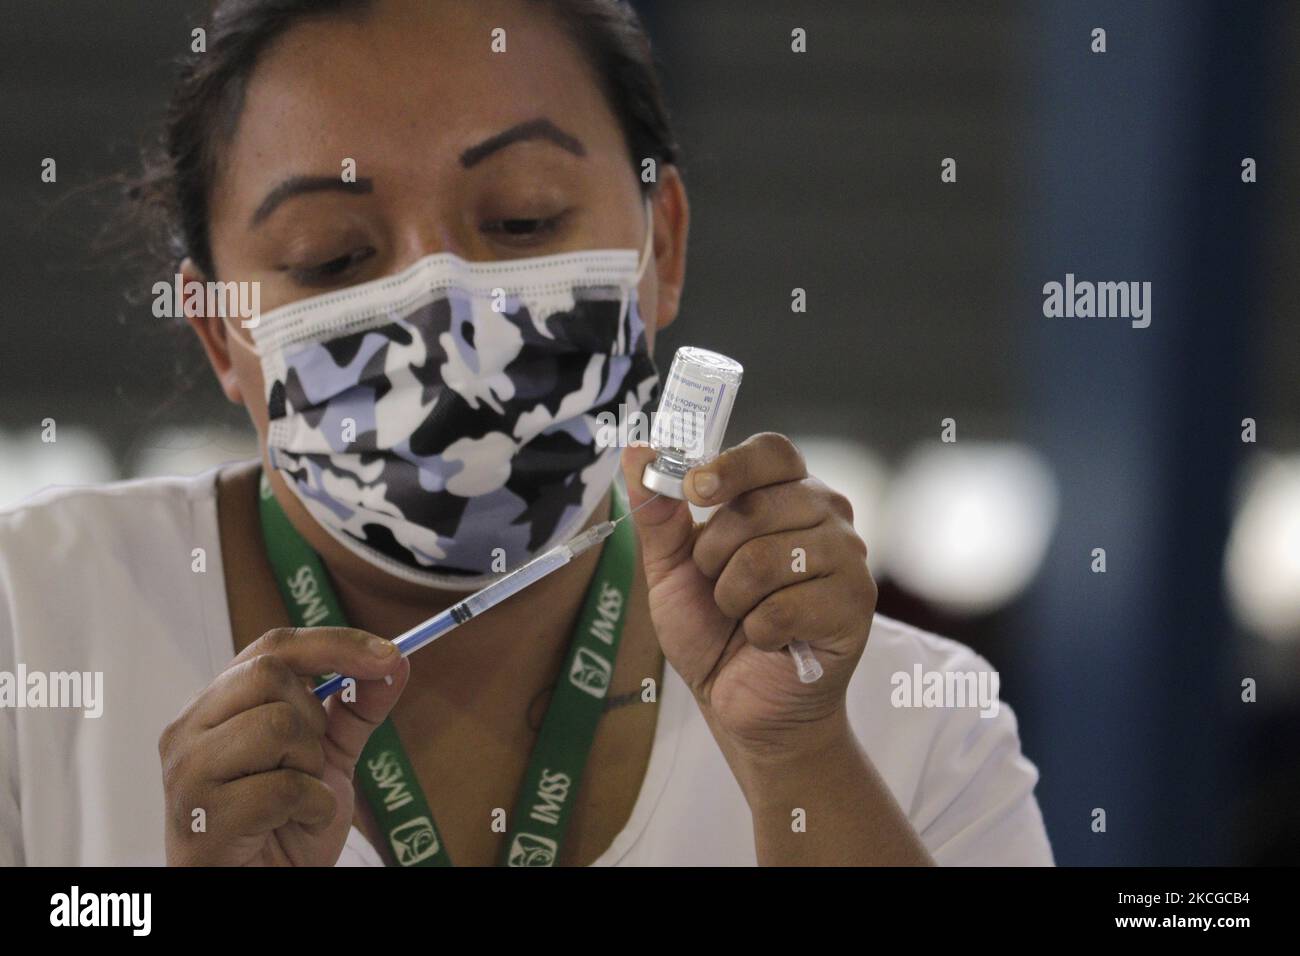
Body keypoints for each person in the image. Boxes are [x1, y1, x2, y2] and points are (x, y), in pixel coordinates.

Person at [0, 0, 1052, 866]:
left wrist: (799, 764)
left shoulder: (902, 722)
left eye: (522, 220)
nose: (444, 308)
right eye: (331, 257)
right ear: (219, 333)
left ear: (662, 244)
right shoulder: (35, 626)